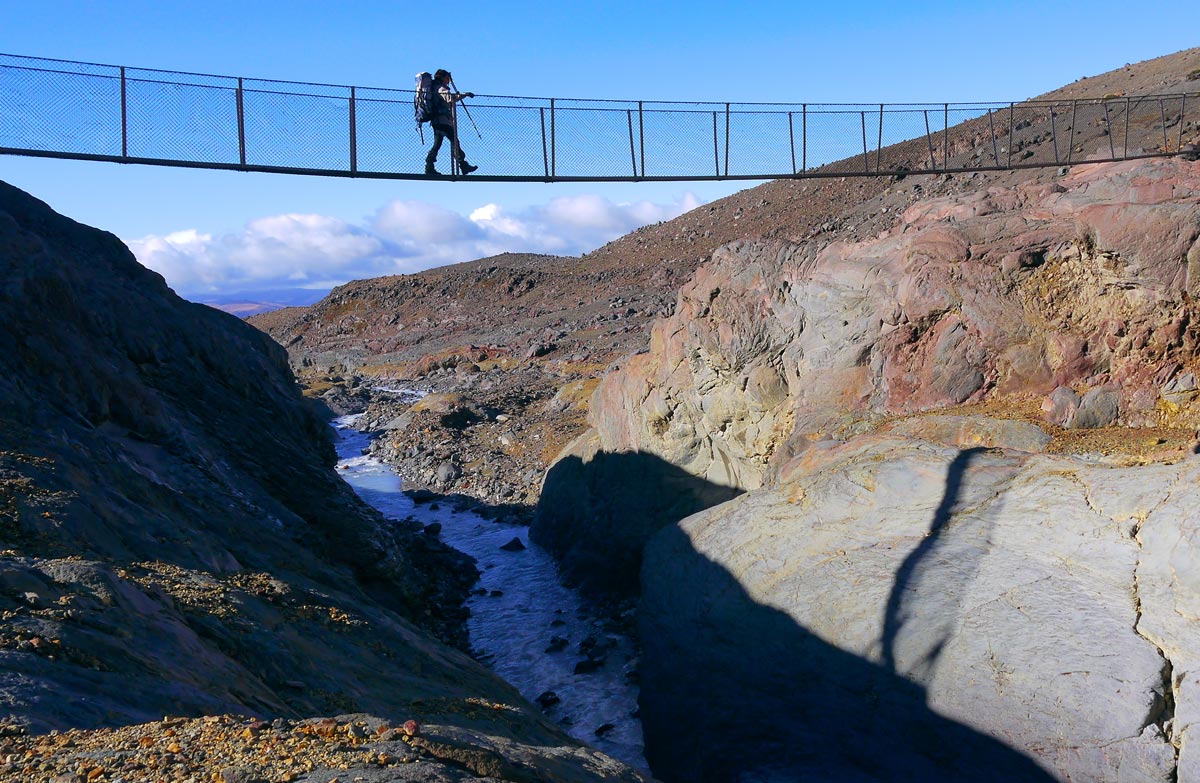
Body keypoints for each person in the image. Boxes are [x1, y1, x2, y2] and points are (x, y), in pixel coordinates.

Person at [425, 69, 477, 176]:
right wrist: (464, 95)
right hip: (443, 121)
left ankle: (429, 167)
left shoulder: (435, 87)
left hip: (437, 121)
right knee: (454, 142)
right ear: (443, 77)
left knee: (438, 145)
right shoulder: (440, 88)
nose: (448, 81)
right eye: (447, 78)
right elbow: (450, 98)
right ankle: (463, 165)